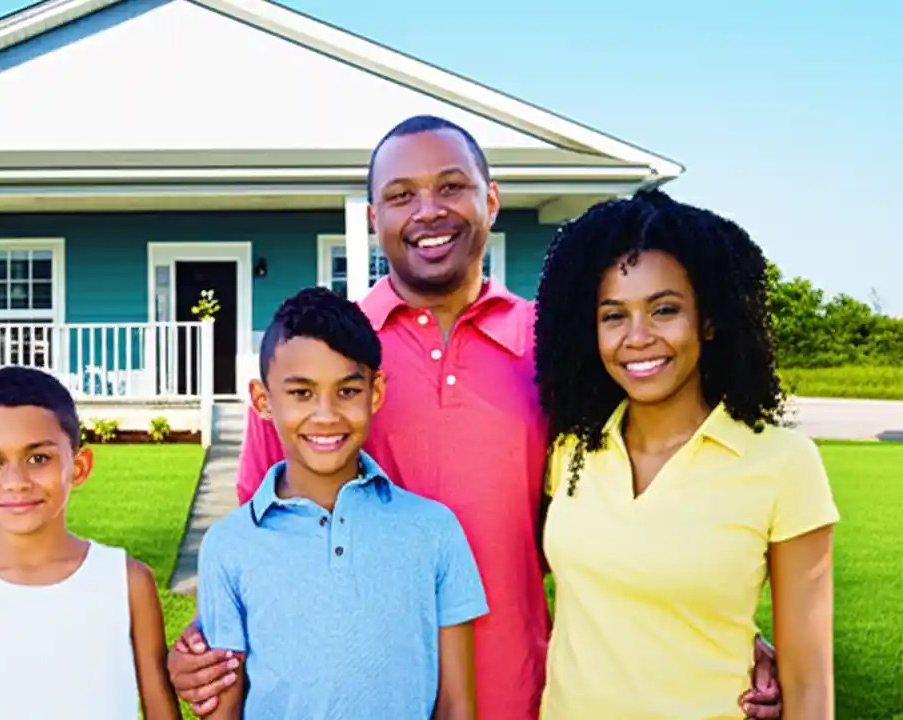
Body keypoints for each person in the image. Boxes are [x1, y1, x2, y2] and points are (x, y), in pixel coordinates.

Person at [166, 115, 785, 720]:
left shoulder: (559, 350)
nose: (428, 210)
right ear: (373, 218)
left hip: (520, 695)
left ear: (490, 200)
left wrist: (728, 633)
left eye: (451, 186)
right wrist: (201, 651)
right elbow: (260, 547)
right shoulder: (319, 362)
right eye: (401, 195)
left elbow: (628, 518)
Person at [533, 188, 837, 719]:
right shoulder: (571, 451)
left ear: (710, 320)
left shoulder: (783, 464)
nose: (638, 337)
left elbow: (809, 686)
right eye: (613, 316)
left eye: (664, 310)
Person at [195, 287, 487, 719]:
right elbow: (224, 707)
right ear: (262, 401)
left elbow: (457, 705)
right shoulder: (228, 546)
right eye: (301, 393)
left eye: (347, 391)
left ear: (375, 392)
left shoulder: (435, 531)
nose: (327, 415)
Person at [0, 365, 181, 720]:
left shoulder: (126, 582)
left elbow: (160, 707)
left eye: (38, 459)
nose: (16, 481)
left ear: (79, 466)